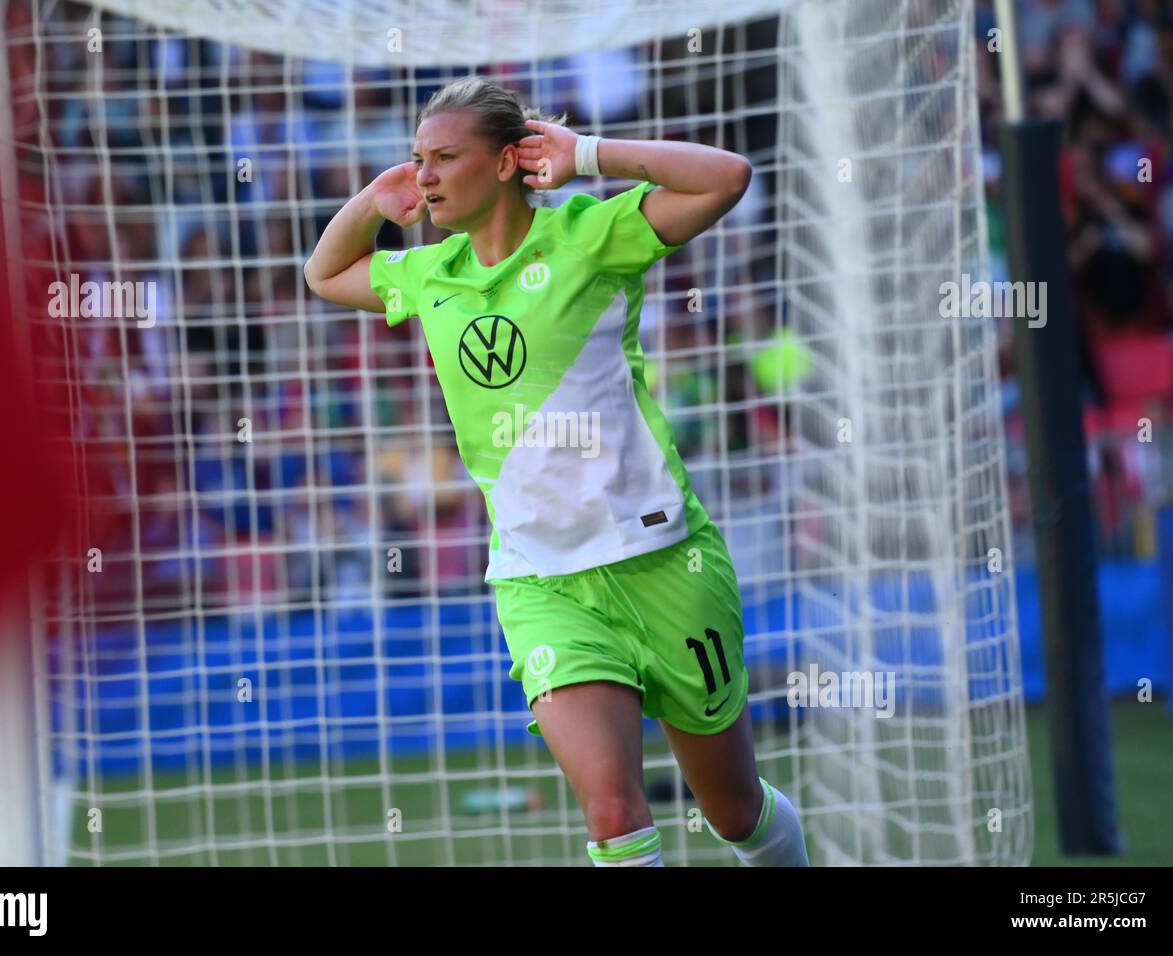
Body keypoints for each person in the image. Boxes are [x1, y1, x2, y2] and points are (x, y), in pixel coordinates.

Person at [304, 75, 808, 867]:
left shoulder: (590, 233)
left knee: (734, 811)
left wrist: (590, 155)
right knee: (613, 813)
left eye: (443, 157)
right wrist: (374, 199)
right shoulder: (428, 272)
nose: (424, 175)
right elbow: (325, 275)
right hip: (540, 580)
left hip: (665, 562)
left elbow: (726, 176)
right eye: (415, 159)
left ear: (507, 163)